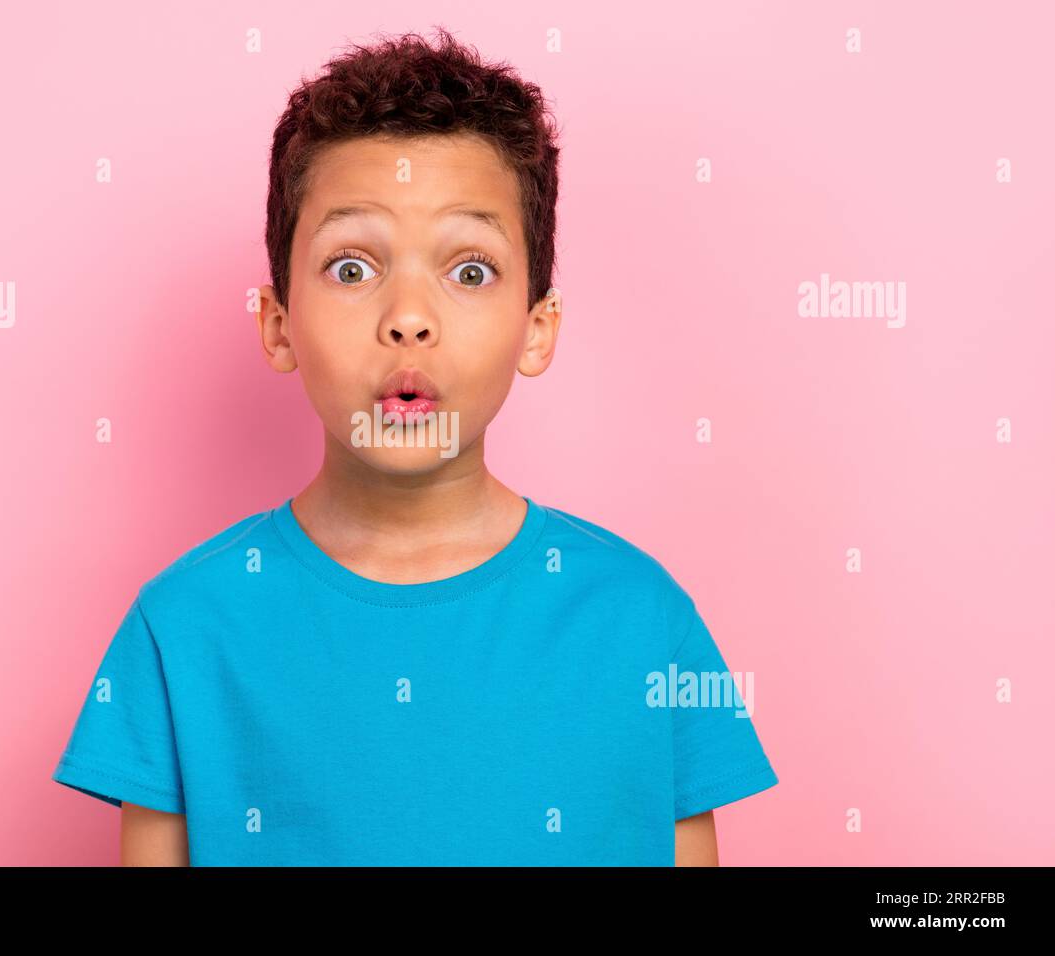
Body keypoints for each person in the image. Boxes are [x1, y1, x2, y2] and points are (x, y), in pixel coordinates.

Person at [52, 27, 778, 866]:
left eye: (469, 270)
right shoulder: (181, 631)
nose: (408, 316)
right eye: (352, 267)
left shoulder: (643, 621)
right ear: (278, 324)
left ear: (536, 331)